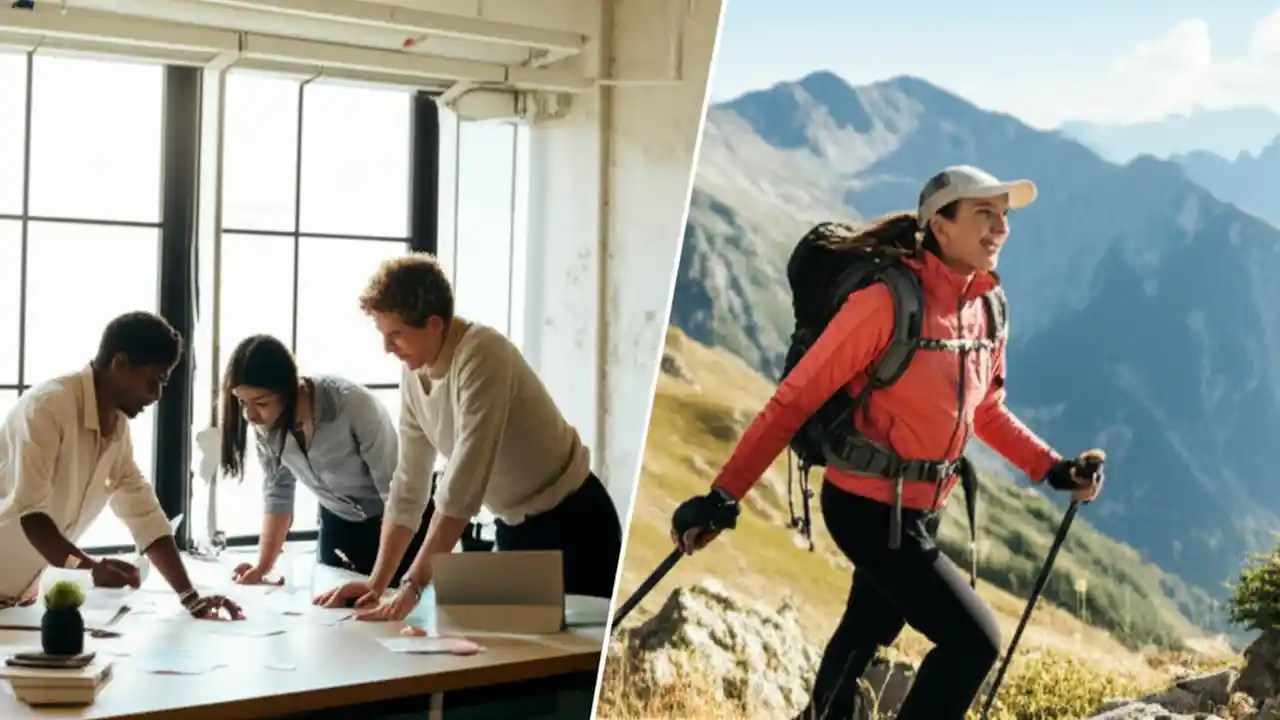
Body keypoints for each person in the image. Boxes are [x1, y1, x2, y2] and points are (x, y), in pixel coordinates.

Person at [668, 165, 1107, 720]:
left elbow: (986, 410)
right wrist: (723, 496)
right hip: (864, 508)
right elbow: (793, 402)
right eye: (984, 214)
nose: (1000, 228)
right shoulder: (884, 303)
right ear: (940, 226)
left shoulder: (986, 308)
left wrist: (1053, 469)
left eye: (1004, 216)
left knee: (870, 626)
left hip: (924, 508)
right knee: (974, 642)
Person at [312, 252, 623, 622]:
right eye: (383, 335)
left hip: (576, 526)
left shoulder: (483, 354)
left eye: (395, 335)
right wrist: (377, 583)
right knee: (475, 645)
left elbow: (463, 483)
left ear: (433, 325)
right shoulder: (415, 371)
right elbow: (409, 486)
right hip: (514, 532)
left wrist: (413, 584)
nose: (387, 348)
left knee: (561, 666)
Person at [0, 311, 244, 620]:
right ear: (120, 364)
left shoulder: (117, 431)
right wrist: (90, 569)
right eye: (152, 381)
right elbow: (30, 515)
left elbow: (145, 516)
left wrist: (190, 598)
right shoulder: (48, 408)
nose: (156, 394)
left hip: (19, 602)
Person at [218, 334, 432, 586]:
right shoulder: (266, 425)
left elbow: (396, 494)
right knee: (331, 608)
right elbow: (278, 495)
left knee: (395, 605)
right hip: (338, 519)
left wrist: (378, 581)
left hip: (398, 522)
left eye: (261, 402)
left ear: (288, 390)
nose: (250, 415)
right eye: (242, 402)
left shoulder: (353, 405)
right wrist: (262, 567)